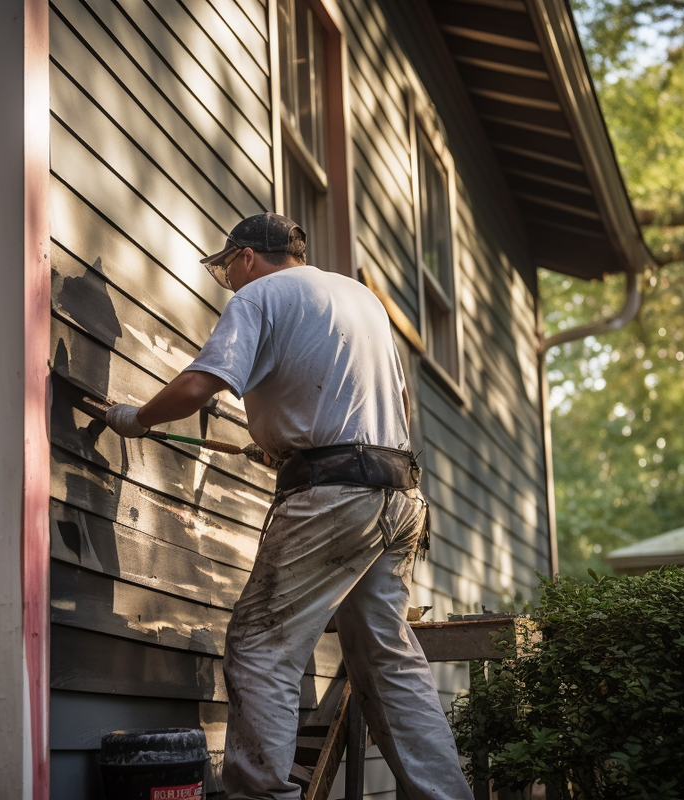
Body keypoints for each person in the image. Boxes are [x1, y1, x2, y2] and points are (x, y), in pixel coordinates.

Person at [105, 213, 472, 800]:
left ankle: (262, 795)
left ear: (247, 257)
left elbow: (201, 384)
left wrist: (137, 417)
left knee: (259, 644)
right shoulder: (360, 299)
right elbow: (395, 408)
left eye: (227, 268)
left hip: (334, 495)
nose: (228, 281)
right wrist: (285, 445)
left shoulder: (261, 296)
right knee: (387, 656)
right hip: (399, 496)